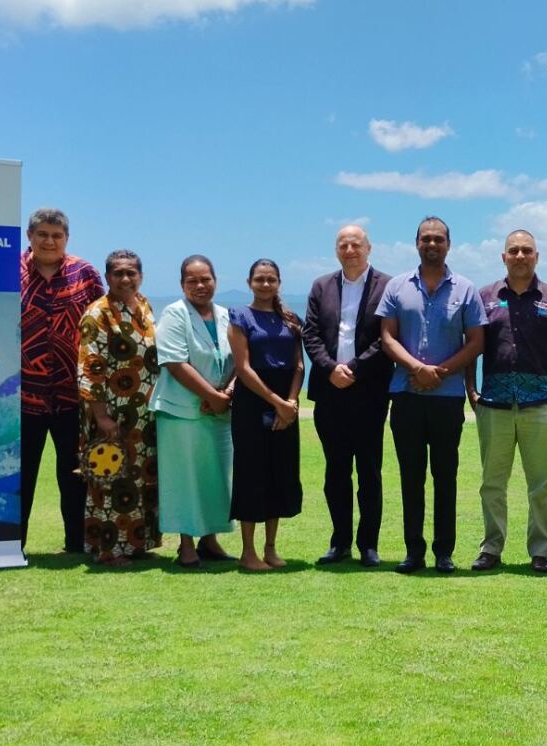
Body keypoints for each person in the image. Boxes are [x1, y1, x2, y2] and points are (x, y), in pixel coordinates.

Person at [377, 216, 486, 574]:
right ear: (417, 243)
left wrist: (440, 372)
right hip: (406, 395)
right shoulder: (396, 287)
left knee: (445, 475)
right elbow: (388, 337)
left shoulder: (466, 290)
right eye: (426, 239)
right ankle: (414, 551)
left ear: (449, 244)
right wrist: (417, 369)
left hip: (447, 396)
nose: (432, 244)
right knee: (411, 476)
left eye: (439, 239)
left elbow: (477, 342)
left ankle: (443, 552)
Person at [463, 230, 547, 574]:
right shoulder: (484, 297)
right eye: (514, 251)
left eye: (527, 250)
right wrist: (472, 391)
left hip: (541, 404)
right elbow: (472, 344)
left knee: (539, 484)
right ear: (504, 257)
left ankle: (540, 551)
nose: (520, 256)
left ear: (536, 256)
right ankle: (491, 548)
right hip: (494, 402)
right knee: (492, 483)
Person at [303, 225, 394, 568]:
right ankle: (339, 542)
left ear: (369, 247)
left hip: (369, 392)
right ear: (336, 250)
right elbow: (309, 333)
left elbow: (387, 338)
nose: (350, 249)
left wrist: (353, 368)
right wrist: (330, 368)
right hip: (329, 392)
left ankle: (368, 545)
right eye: (344, 244)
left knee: (369, 471)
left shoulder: (387, 286)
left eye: (356, 243)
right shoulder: (321, 286)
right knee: (335, 471)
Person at [19, 208, 103, 555]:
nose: (49, 241)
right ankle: (12, 544)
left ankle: (76, 544)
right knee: (20, 476)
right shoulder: (10, 272)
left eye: (57, 235)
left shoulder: (84, 273)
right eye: (42, 234)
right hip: (22, 394)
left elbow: (104, 320)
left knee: (74, 475)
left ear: (66, 238)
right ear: (30, 237)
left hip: (73, 395)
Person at [149, 255, 235, 568]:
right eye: (192, 280)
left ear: (215, 280)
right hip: (180, 411)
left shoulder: (227, 315)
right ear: (182, 284)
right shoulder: (174, 314)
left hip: (219, 411)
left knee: (216, 477)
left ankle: (210, 540)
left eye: (205, 279)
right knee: (183, 478)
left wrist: (225, 394)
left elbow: (241, 357)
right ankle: (185, 544)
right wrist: (210, 394)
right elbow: (174, 361)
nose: (200, 286)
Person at [76, 249, 160, 567]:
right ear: (107, 276)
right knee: (111, 476)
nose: (126, 278)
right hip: (111, 411)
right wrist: (100, 415)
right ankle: (109, 549)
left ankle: (136, 542)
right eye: (118, 273)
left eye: (132, 272)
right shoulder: (97, 314)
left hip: (144, 413)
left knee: (141, 478)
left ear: (140, 275)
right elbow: (90, 365)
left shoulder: (144, 305)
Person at [228, 259, 305, 572]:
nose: (265, 284)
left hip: (286, 400)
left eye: (271, 279)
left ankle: (271, 548)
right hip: (253, 401)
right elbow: (243, 368)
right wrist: (277, 402)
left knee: (279, 473)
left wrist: (291, 402)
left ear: (279, 282)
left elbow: (299, 366)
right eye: (259, 279)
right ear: (249, 282)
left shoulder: (290, 320)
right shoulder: (239, 316)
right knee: (251, 474)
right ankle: (248, 552)